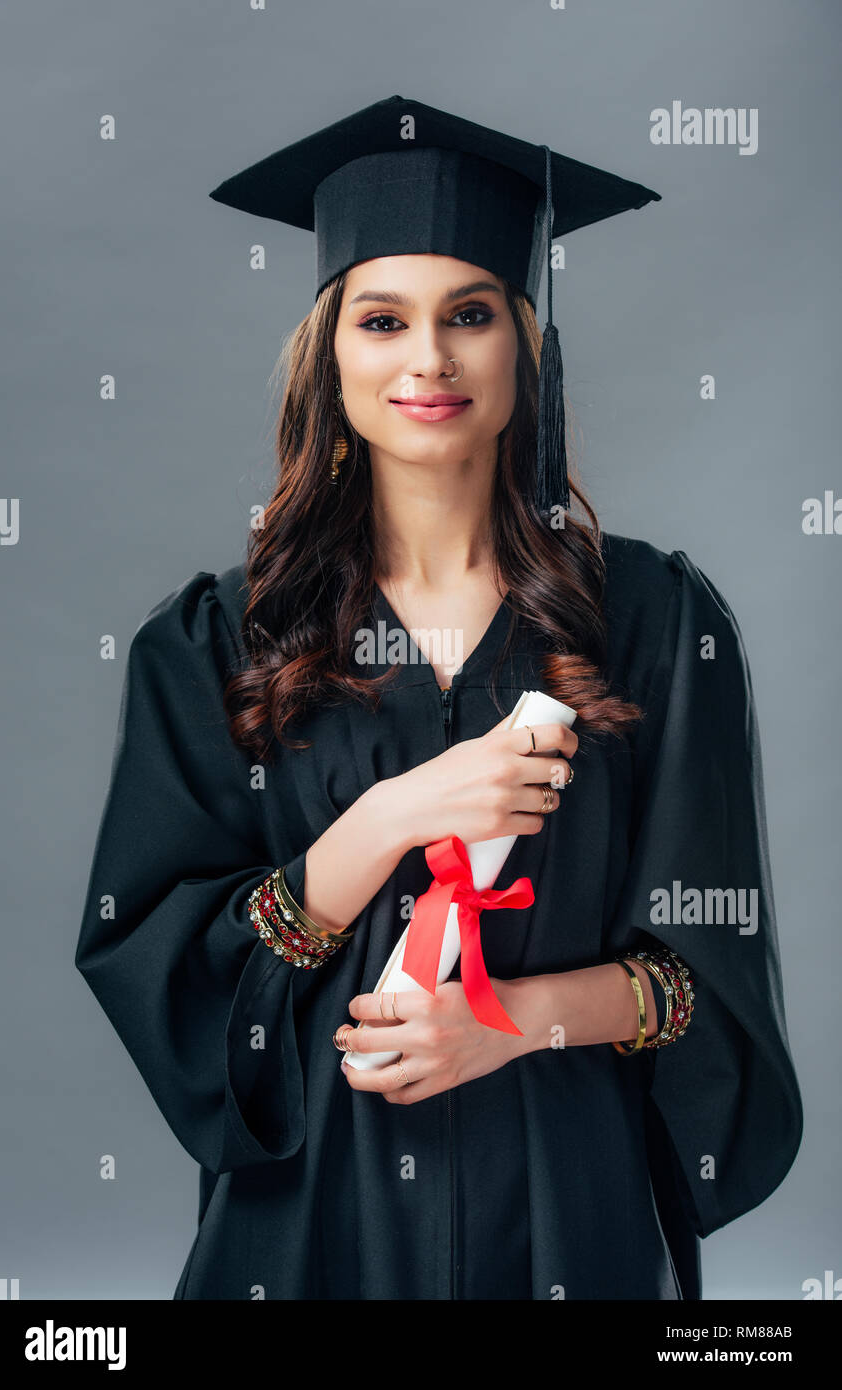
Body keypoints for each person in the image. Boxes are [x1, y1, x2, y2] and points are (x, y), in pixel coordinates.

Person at [75, 95, 802, 1300]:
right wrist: (383, 818)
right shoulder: (219, 640)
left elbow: (701, 977)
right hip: (315, 1219)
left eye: (470, 313)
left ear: (525, 342)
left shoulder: (658, 623)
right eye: (383, 319)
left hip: (565, 1213)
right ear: (333, 355)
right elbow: (167, 973)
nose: (428, 359)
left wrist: (507, 1017)